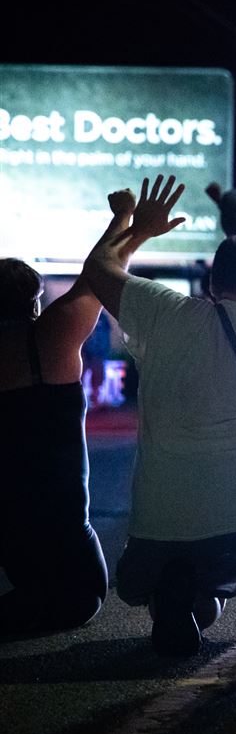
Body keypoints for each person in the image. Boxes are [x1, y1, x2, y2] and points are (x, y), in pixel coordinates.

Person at [80, 176, 236, 658]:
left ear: (211, 283)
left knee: (192, 562)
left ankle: (176, 591)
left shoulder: (165, 313)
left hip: (162, 525)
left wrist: (131, 225)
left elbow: (98, 267)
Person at [1, 246, 111, 639]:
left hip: (15, 547)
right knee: (79, 600)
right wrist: (125, 223)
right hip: (72, 552)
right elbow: (99, 275)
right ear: (34, 303)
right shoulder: (52, 341)